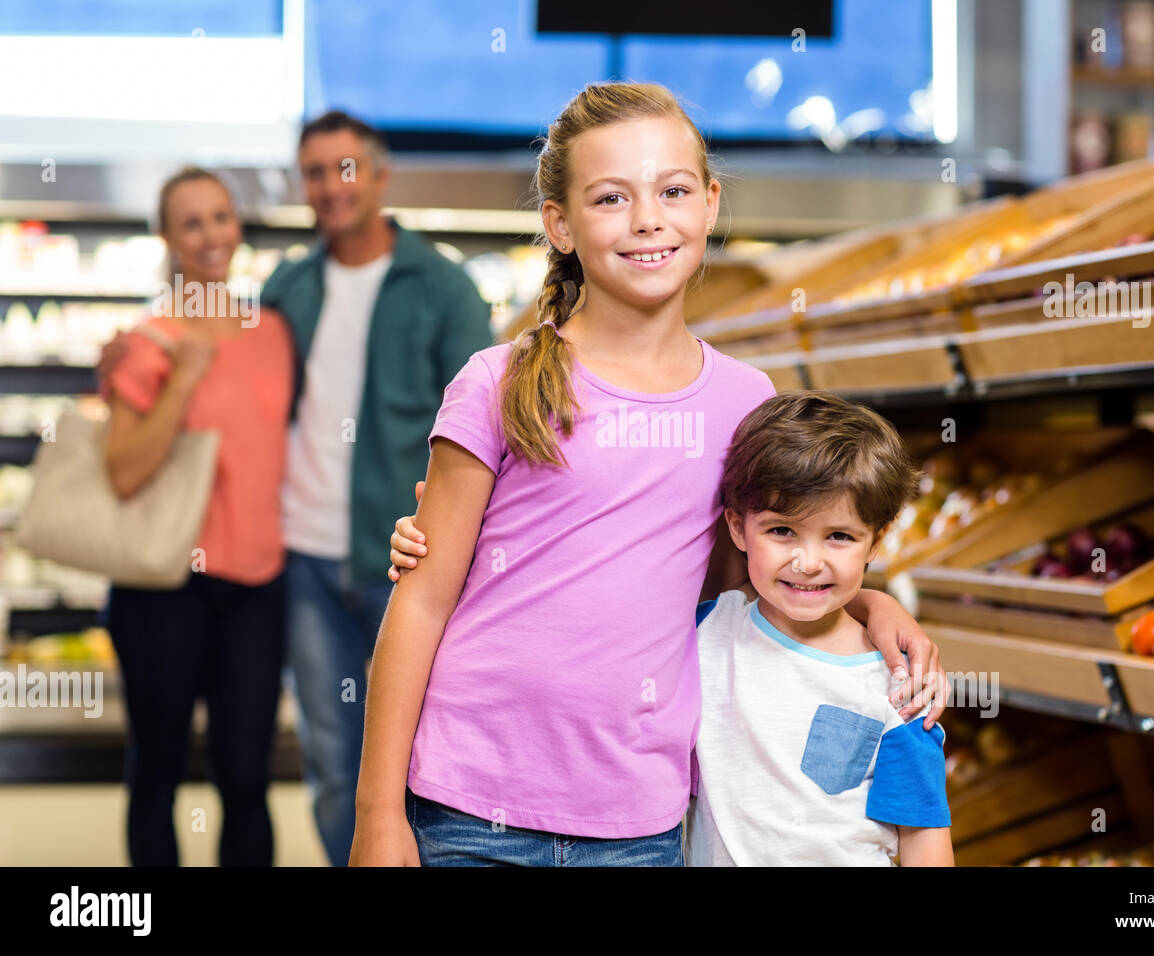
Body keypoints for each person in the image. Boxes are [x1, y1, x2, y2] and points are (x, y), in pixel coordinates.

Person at [355, 81, 946, 867]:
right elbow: (421, 603)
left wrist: (873, 607)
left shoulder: (745, 402)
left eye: (672, 190)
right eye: (610, 198)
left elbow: (750, 578)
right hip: (467, 804)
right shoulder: (497, 382)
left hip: (637, 822)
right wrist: (377, 812)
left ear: (708, 203)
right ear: (559, 225)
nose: (647, 220)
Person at [98, 111, 495, 867]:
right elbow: (151, 431)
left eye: (346, 169)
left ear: (379, 176)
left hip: (397, 561)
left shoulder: (435, 289)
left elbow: (487, 423)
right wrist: (136, 360)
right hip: (283, 568)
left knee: (409, 766)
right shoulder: (285, 293)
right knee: (326, 768)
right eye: (315, 172)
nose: (332, 187)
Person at [101, 167, 294, 866]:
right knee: (156, 775)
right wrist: (183, 378)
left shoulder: (272, 332)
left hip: (257, 586)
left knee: (246, 778)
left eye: (220, 217)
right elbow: (124, 472)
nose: (210, 235)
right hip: (163, 588)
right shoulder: (148, 342)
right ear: (167, 237)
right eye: (191, 222)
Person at [686, 390, 954, 866]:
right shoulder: (708, 634)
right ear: (736, 526)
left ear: (876, 542)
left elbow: (923, 835)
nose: (807, 563)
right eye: (782, 531)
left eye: (839, 536)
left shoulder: (899, 687)